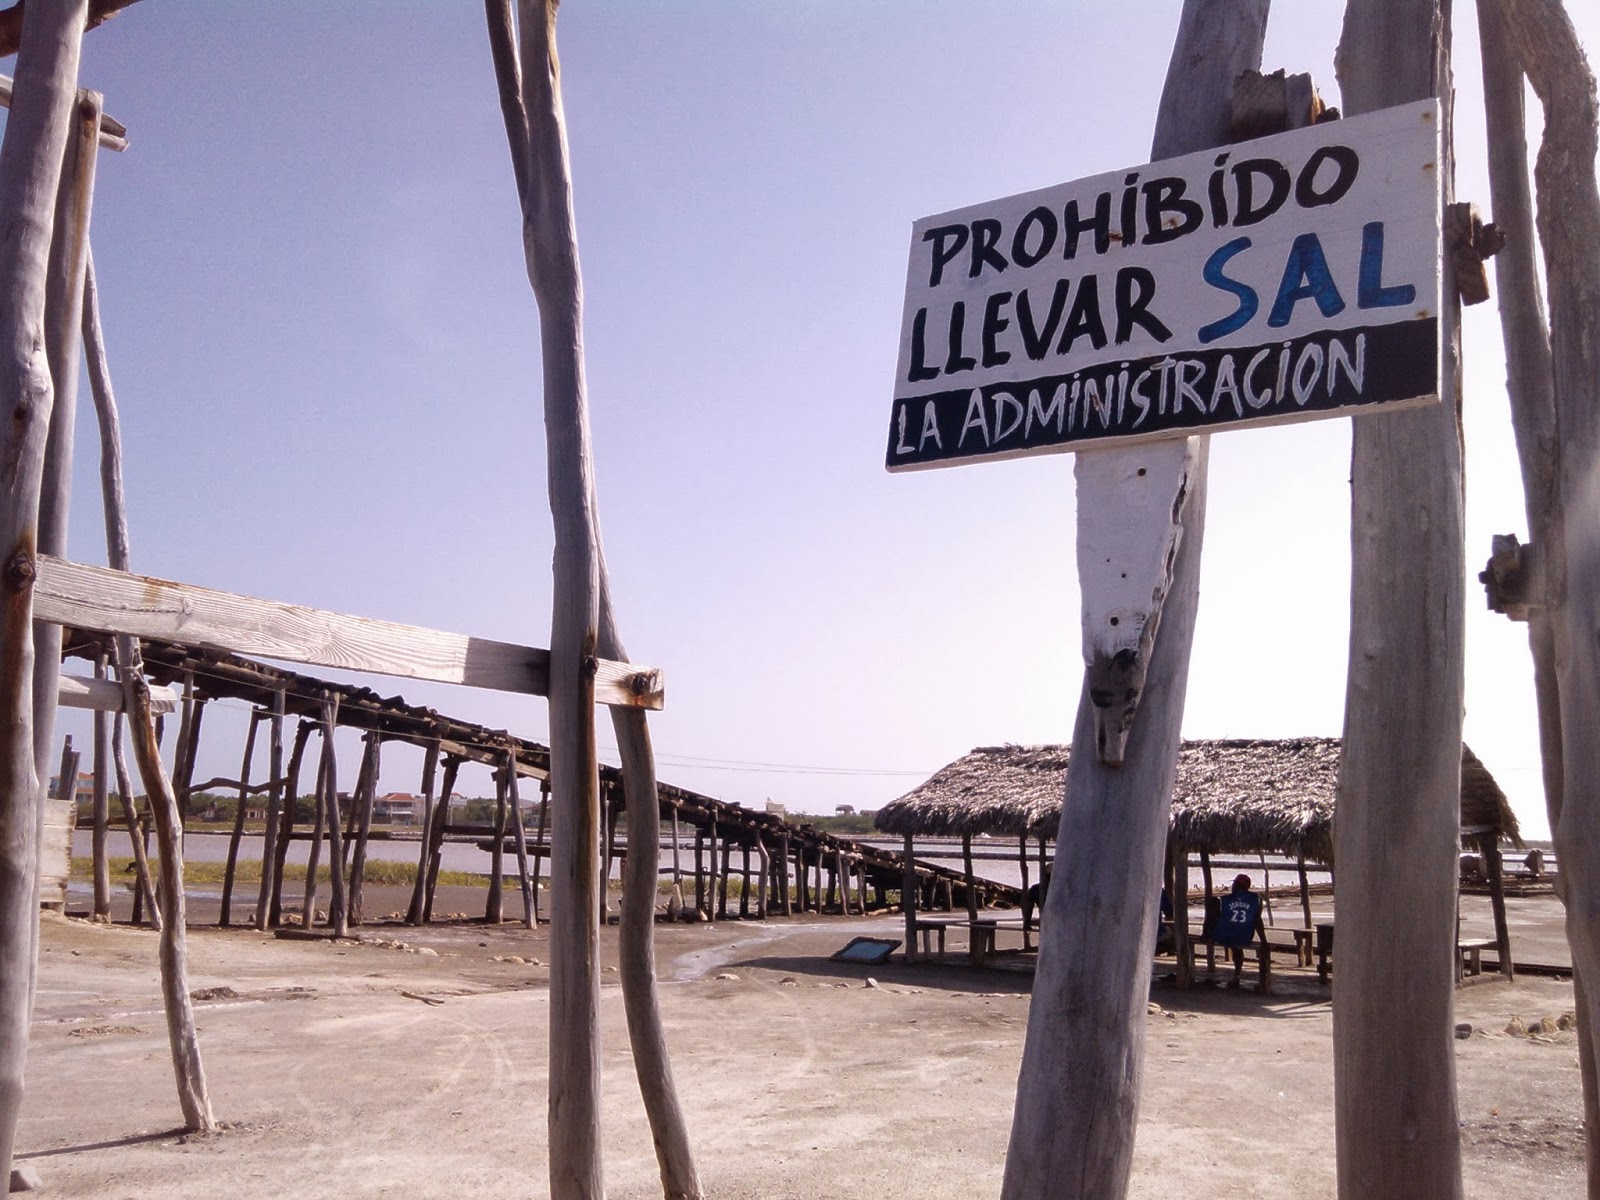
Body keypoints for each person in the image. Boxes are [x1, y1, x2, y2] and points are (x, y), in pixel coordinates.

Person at [1212, 873, 1264, 987]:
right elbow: (1257, 920)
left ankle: (1236, 976)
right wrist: (1263, 940)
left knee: (1233, 941)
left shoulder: (1224, 900)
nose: (1232, 886)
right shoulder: (1256, 899)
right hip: (1246, 936)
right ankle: (1237, 975)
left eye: (1235, 884)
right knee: (1237, 943)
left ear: (1239, 886)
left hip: (1224, 935)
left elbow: (1215, 917)